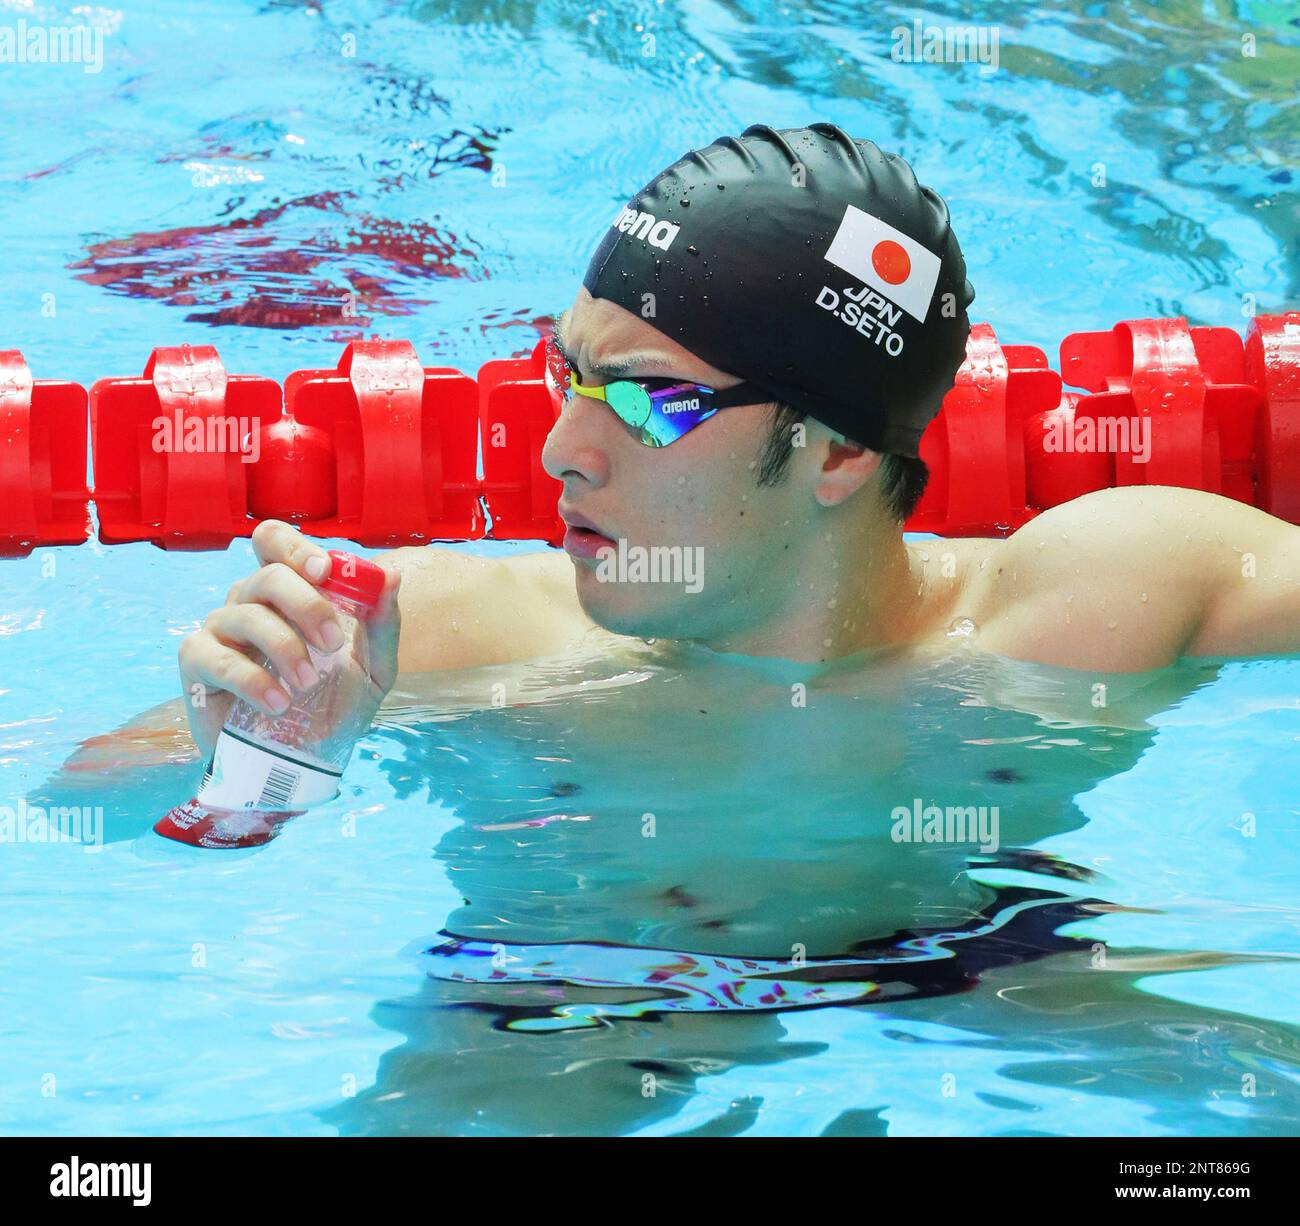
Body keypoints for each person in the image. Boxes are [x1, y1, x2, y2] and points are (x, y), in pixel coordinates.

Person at [169, 122, 1298, 762]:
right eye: (569, 372)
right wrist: (260, 754)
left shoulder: (1094, 603)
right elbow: (100, 808)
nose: (561, 448)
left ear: (840, 449)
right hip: (583, 999)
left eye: (649, 399)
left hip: (984, 964)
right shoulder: (437, 640)